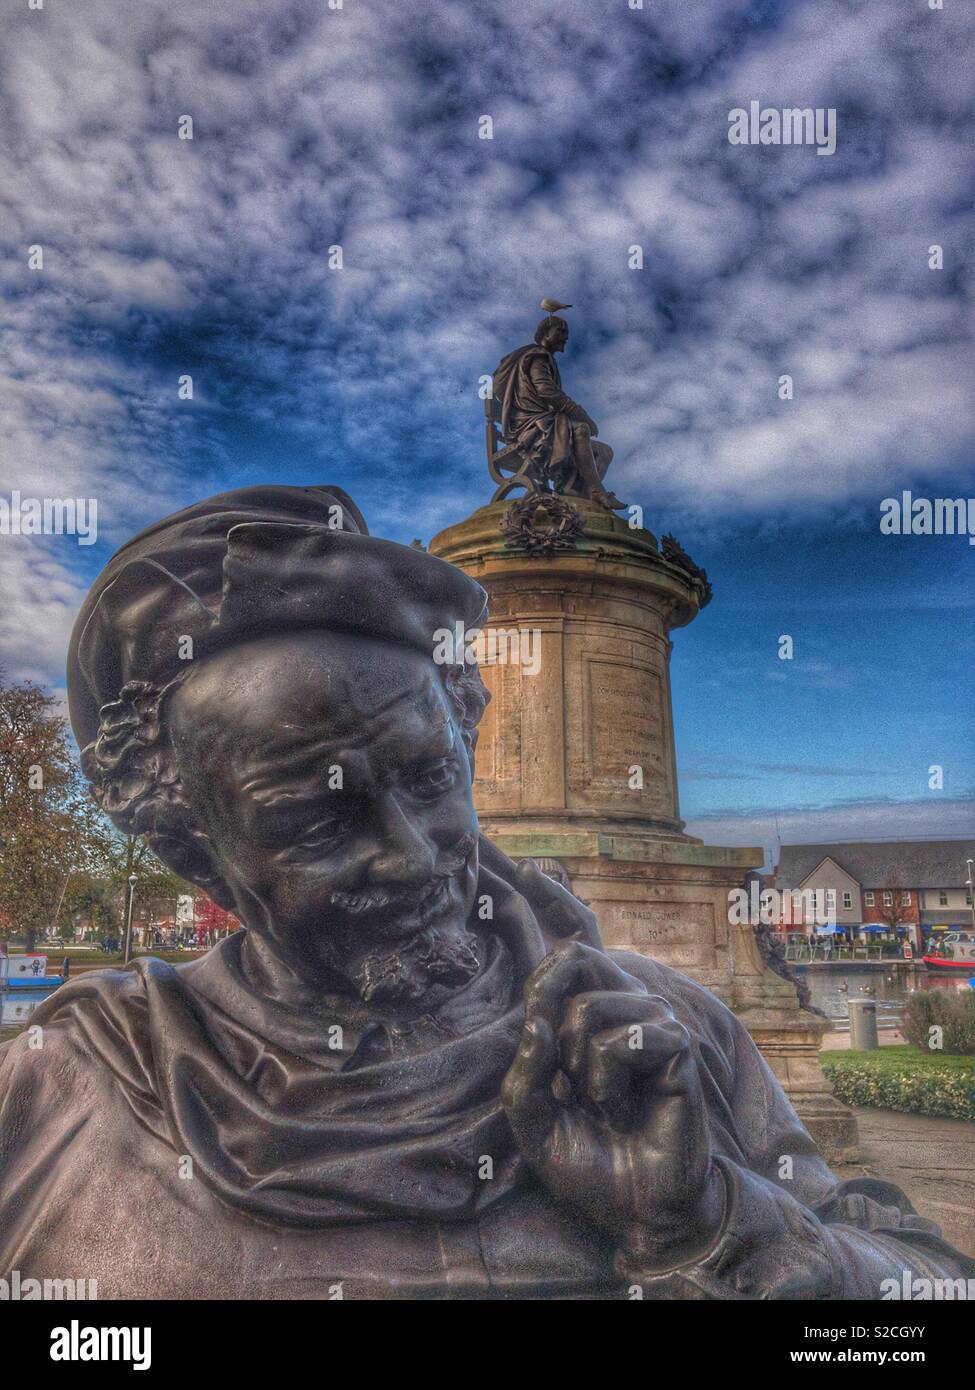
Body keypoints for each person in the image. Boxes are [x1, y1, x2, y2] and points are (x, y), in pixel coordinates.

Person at [0, 485, 971, 1299]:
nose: (415, 856)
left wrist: (715, 1221)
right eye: (319, 818)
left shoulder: (665, 1031)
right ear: (192, 847)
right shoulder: (54, 1093)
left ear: (464, 736)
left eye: (429, 778)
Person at [492, 316, 625, 510]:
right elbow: (546, 391)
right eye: (561, 332)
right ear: (545, 333)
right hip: (529, 426)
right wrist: (581, 414)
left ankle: (581, 498)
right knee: (581, 429)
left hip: (545, 424)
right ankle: (598, 492)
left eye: (567, 334)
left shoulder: (547, 359)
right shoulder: (538, 356)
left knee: (604, 452)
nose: (565, 338)